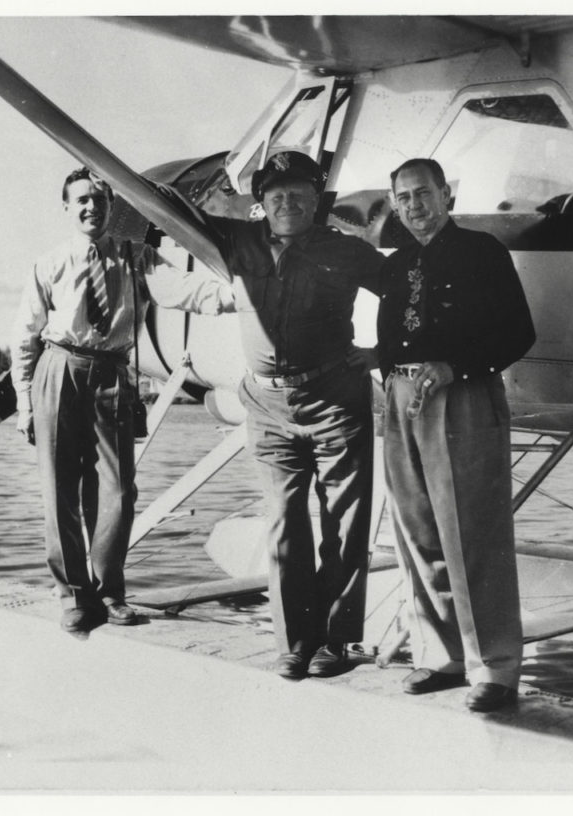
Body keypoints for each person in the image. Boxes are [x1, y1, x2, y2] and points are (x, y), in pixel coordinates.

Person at [11, 167, 233, 637]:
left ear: (112, 208)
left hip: (112, 373)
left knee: (117, 490)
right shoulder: (49, 264)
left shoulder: (138, 257)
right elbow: (25, 337)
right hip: (59, 368)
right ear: (68, 209)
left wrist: (233, 295)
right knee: (60, 491)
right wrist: (25, 402)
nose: (92, 207)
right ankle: (74, 595)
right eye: (82, 200)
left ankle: (109, 591)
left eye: (100, 200)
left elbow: (184, 289)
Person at [202, 151, 385, 679]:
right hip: (265, 403)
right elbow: (169, 215)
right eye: (276, 193)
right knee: (284, 525)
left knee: (344, 524)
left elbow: (405, 293)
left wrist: (384, 350)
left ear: (316, 199)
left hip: (334, 398)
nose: (288, 200)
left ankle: (338, 640)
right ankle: (294, 643)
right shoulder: (237, 241)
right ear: (259, 202)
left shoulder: (347, 251)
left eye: (300, 191)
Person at [376, 158, 535, 712]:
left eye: (423, 193)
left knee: (474, 533)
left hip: (461, 397)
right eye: (403, 197)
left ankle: (494, 668)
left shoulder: (482, 253)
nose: (413, 205)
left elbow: (519, 332)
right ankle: (439, 656)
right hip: (401, 400)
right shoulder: (396, 264)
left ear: (447, 194)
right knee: (417, 532)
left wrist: (454, 367)